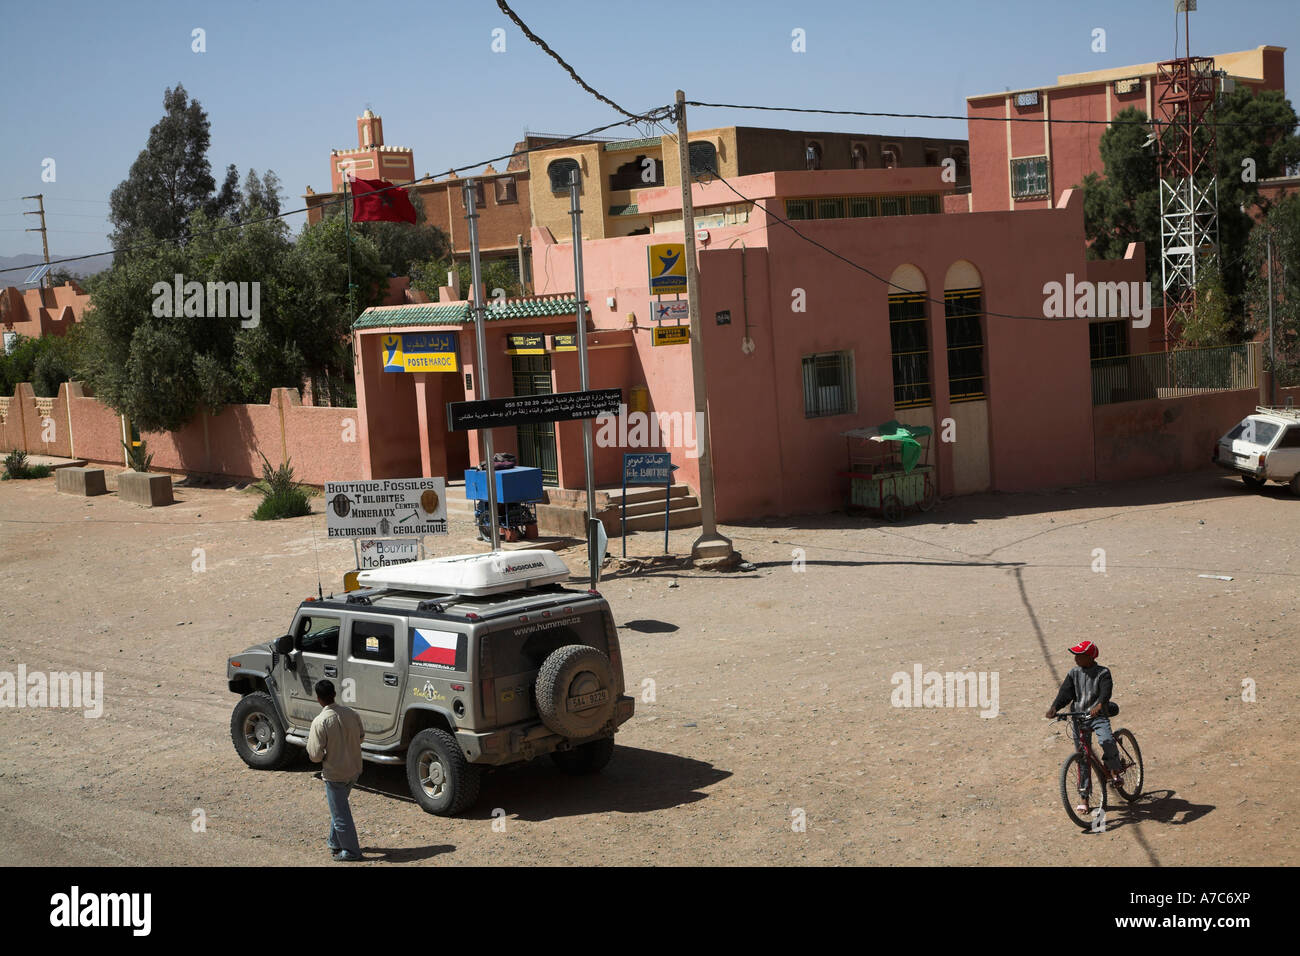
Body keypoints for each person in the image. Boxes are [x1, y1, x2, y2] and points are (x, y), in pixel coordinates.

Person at [1044, 640, 1123, 814]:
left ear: (1090, 657)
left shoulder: (1103, 672)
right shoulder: (1073, 673)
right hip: (1079, 718)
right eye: (1076, 655)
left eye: (1080, 655)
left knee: (1107, 740)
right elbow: (1065, 692)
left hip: (1098, 716)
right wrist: (1055, 707)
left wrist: (1100, 704)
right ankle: (1084, 798)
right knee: (1082, 759)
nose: (1076, 658)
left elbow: (1106, 691)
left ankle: (1115, 768)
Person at [306, 679, 366, 862]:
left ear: (318, 699)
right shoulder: (351, 713)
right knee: (338, 808)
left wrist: (326, 756)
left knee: (340, 814)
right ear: (334, 694)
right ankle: (335, 842)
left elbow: (315, 755)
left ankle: (351, 851)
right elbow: (361, 737)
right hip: (354, 769)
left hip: (335, 774)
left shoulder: (320, 721)